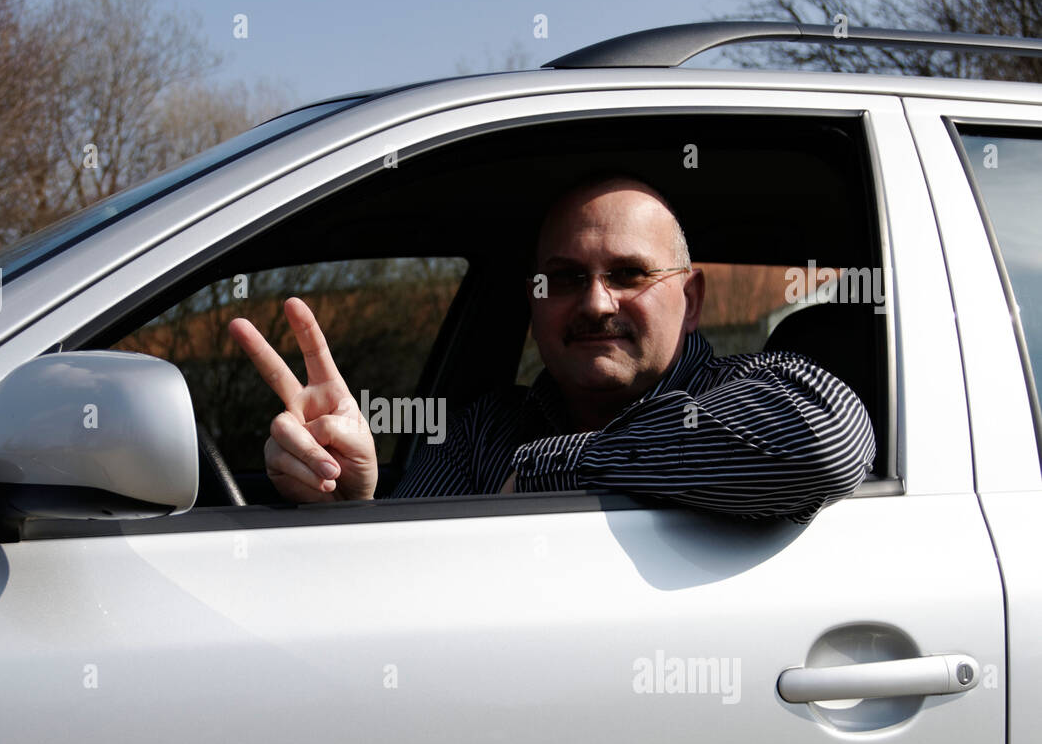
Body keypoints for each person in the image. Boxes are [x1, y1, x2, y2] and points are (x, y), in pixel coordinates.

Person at [227, 175, 875, 522]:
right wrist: (356, 508)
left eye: (628, 274)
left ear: (694, 299)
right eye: (565, 279)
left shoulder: (755, 387)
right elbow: (416, 590)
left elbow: (827, 442)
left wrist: (548, 472)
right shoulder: (482, 431)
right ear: (532, 301)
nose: (596, 303)